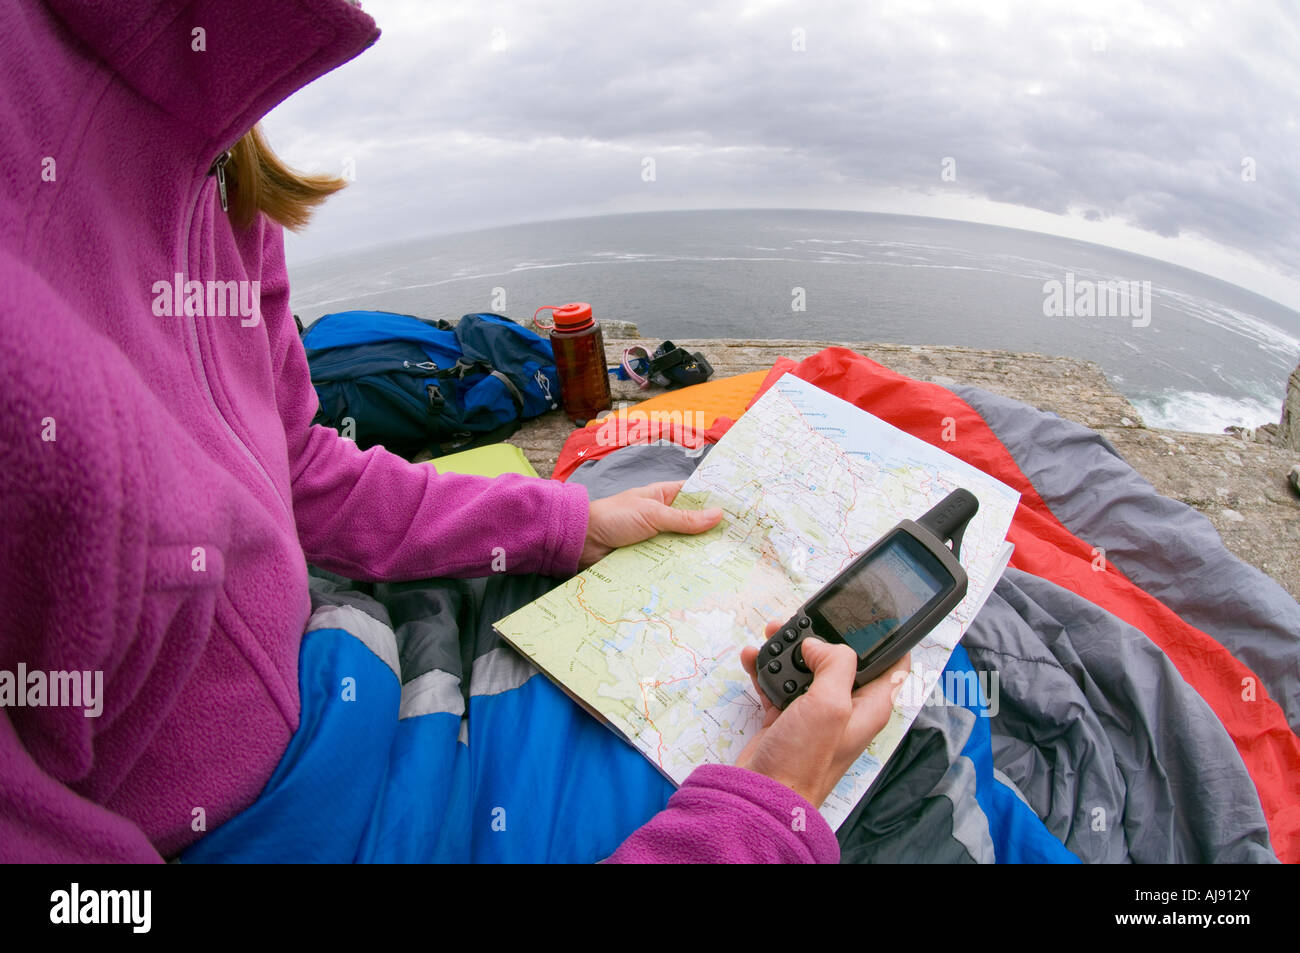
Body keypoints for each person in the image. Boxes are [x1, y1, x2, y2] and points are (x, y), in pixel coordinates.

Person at [0, 0, 905, 863]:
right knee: (902, 758)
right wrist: (761, 820)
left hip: (350, 671)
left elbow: (299, 468)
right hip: (305, 818)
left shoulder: (217, 134)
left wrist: (565, 524)